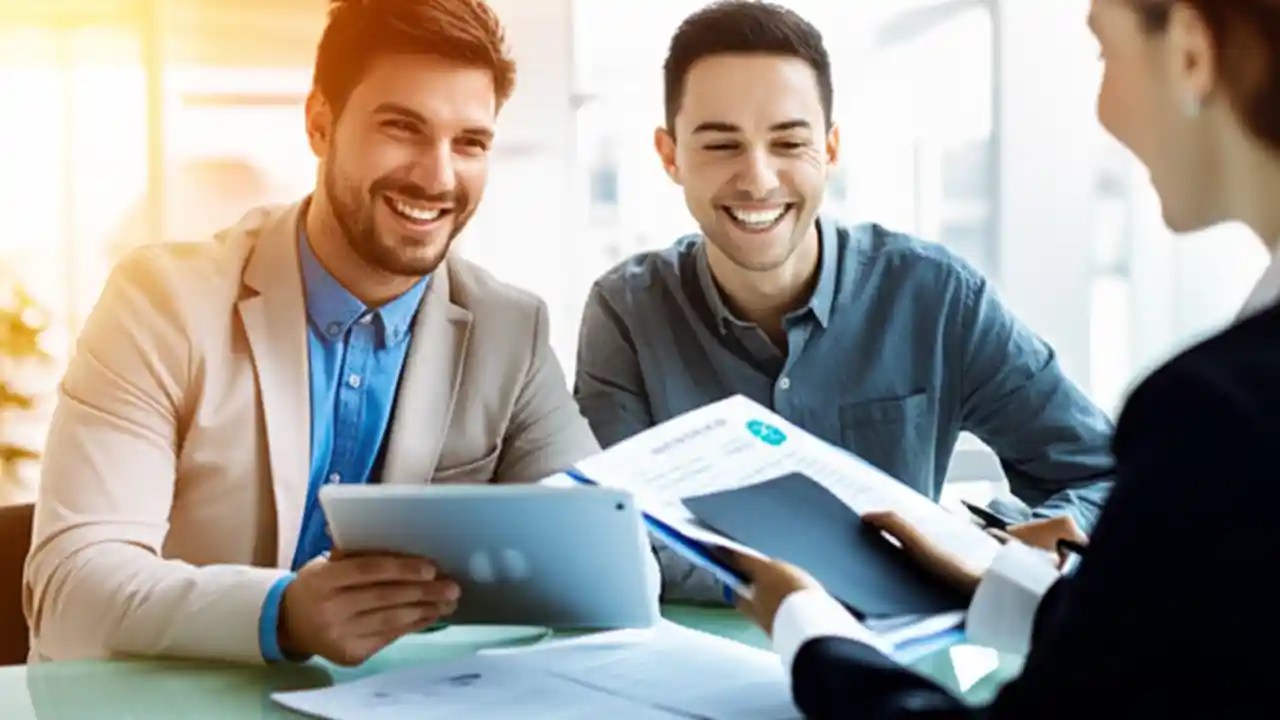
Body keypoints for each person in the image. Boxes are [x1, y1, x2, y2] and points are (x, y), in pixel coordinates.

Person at [731, 0, 1280, 715]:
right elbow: (1191, 645)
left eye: (1102, 55)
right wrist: (999, 586)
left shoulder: (1218, 411)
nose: (1103, 112)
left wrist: (809, 630)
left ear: (1189, 50)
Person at [23, 0, 610, 667]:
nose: (438, 176)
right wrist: (283, 613)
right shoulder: (163, 303)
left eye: (469, 143)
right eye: (402, 128)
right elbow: (72, 590)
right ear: (320, 124)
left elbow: (605, 570)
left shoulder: (511, 330)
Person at [573, 0, 1115, 601]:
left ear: (829, 149)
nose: (757, 179)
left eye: (788, 143)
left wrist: (995, 556)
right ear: (670, 155)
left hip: (902, 658)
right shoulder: (624, 312)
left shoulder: (937, 297)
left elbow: (1101, 474)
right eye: (721, 145)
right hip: (700, 657)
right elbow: (617, 533)